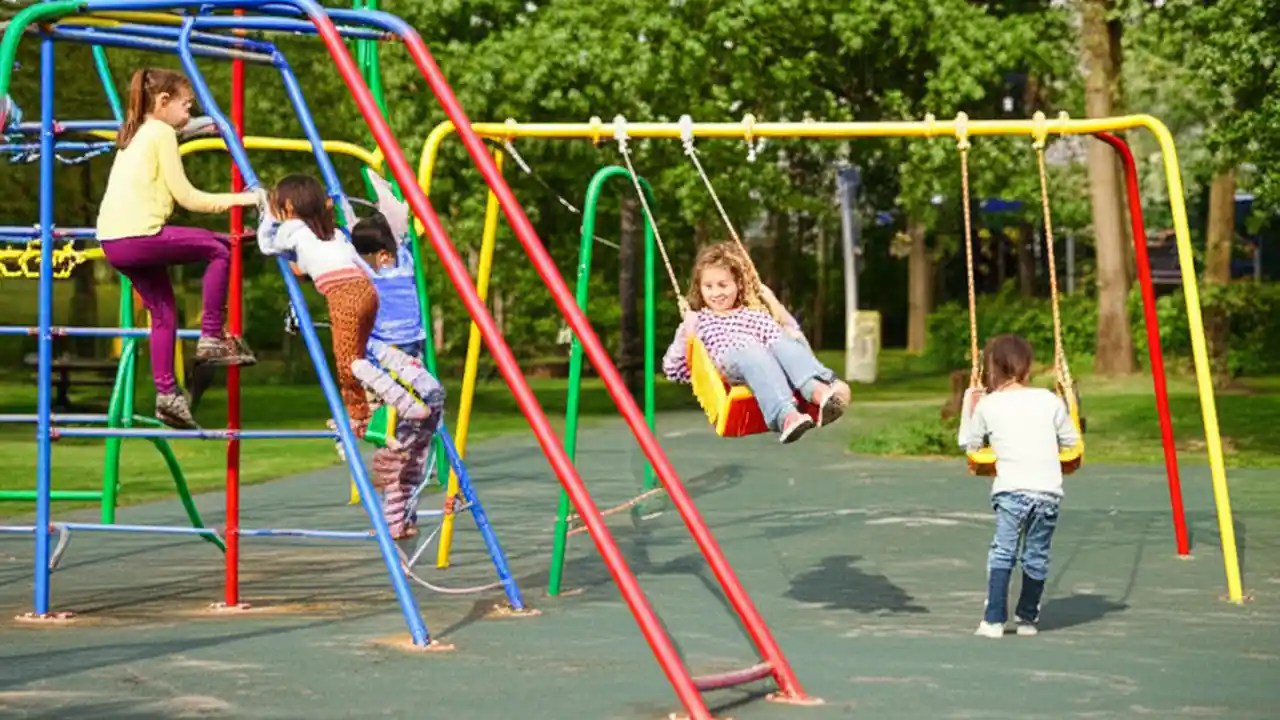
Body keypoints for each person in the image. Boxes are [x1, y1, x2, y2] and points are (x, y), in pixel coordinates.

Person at [95, 67, 259, 428]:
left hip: (112, 241)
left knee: (164, 312)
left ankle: (168, 395)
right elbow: (188, 197)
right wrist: (246, 199)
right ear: (164, 101)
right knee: (218, 248)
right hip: (139, 236)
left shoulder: (137, 130)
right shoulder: (160, 133)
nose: (189, 113)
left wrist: (209, 125)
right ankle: (212, 336)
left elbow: (181, 128)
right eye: (187, 106)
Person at [662, 242, 850, 443]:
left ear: (738, 284)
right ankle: (786, 415)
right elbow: (673, 369)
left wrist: (774, 303)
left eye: (723, 285)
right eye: (708, 286)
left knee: (782, 342)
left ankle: (819, 393)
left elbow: (793, 338)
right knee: (754, 352)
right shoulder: (700, 319)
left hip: (766, 359)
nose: (716, 293)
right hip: (732, 360)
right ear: (700, 288)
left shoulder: (754, 314)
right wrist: (684, 335)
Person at [958, 333, 1081, 638]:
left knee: (1003, 552)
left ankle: (994, 620)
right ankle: (1027, 619)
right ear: (1028, 368)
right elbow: (1072, 442)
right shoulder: (1050, 400)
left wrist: (968, 404)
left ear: (992, 369)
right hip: (1048, 492)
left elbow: (970, 445)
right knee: (1036, 554)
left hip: (1012, 490)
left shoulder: (988, 405)